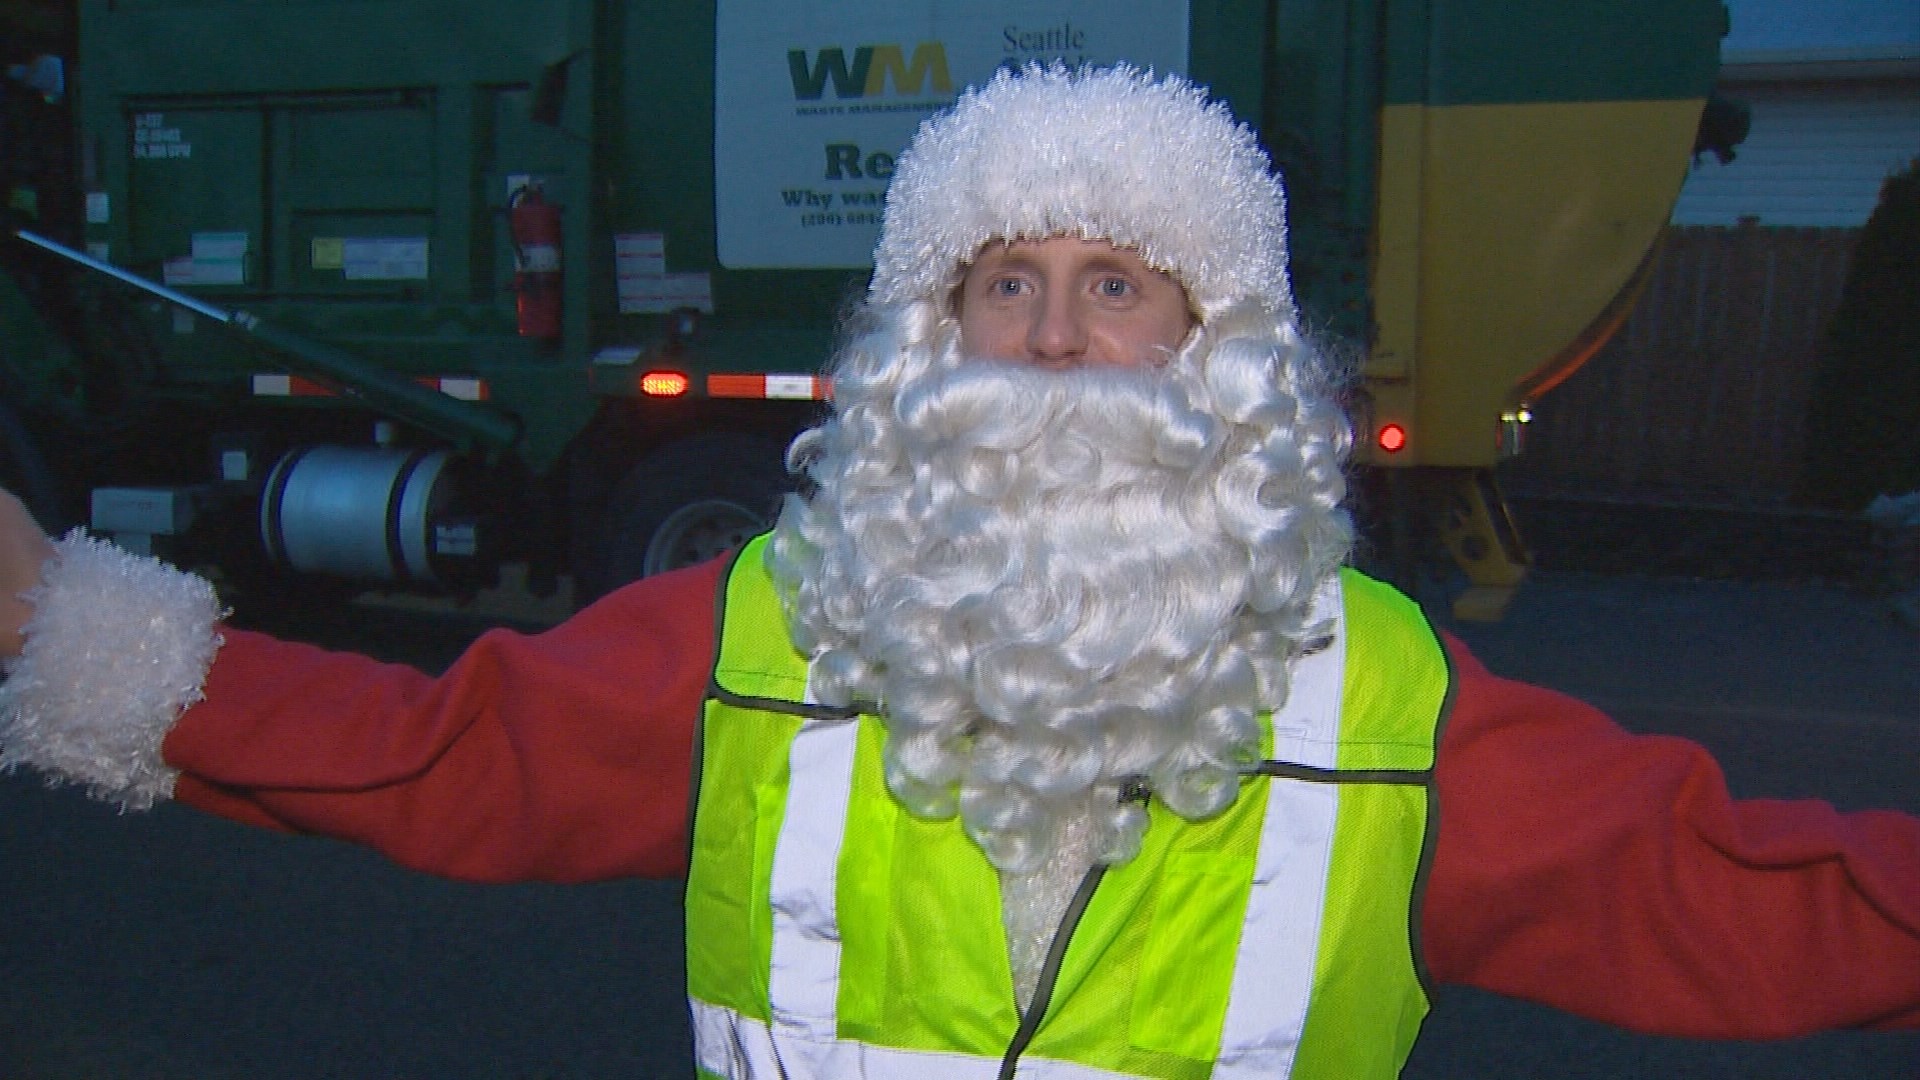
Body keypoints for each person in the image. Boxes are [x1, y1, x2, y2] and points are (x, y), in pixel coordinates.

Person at [1, 65, 1916, 1079]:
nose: (1059, 339)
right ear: (936, 335)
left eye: (1117, 285)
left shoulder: (1385, 698)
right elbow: (436, 757)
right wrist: (59, 628)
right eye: (1009, 283)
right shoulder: (768, 628)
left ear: (1215, 351)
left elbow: (1719, 893)